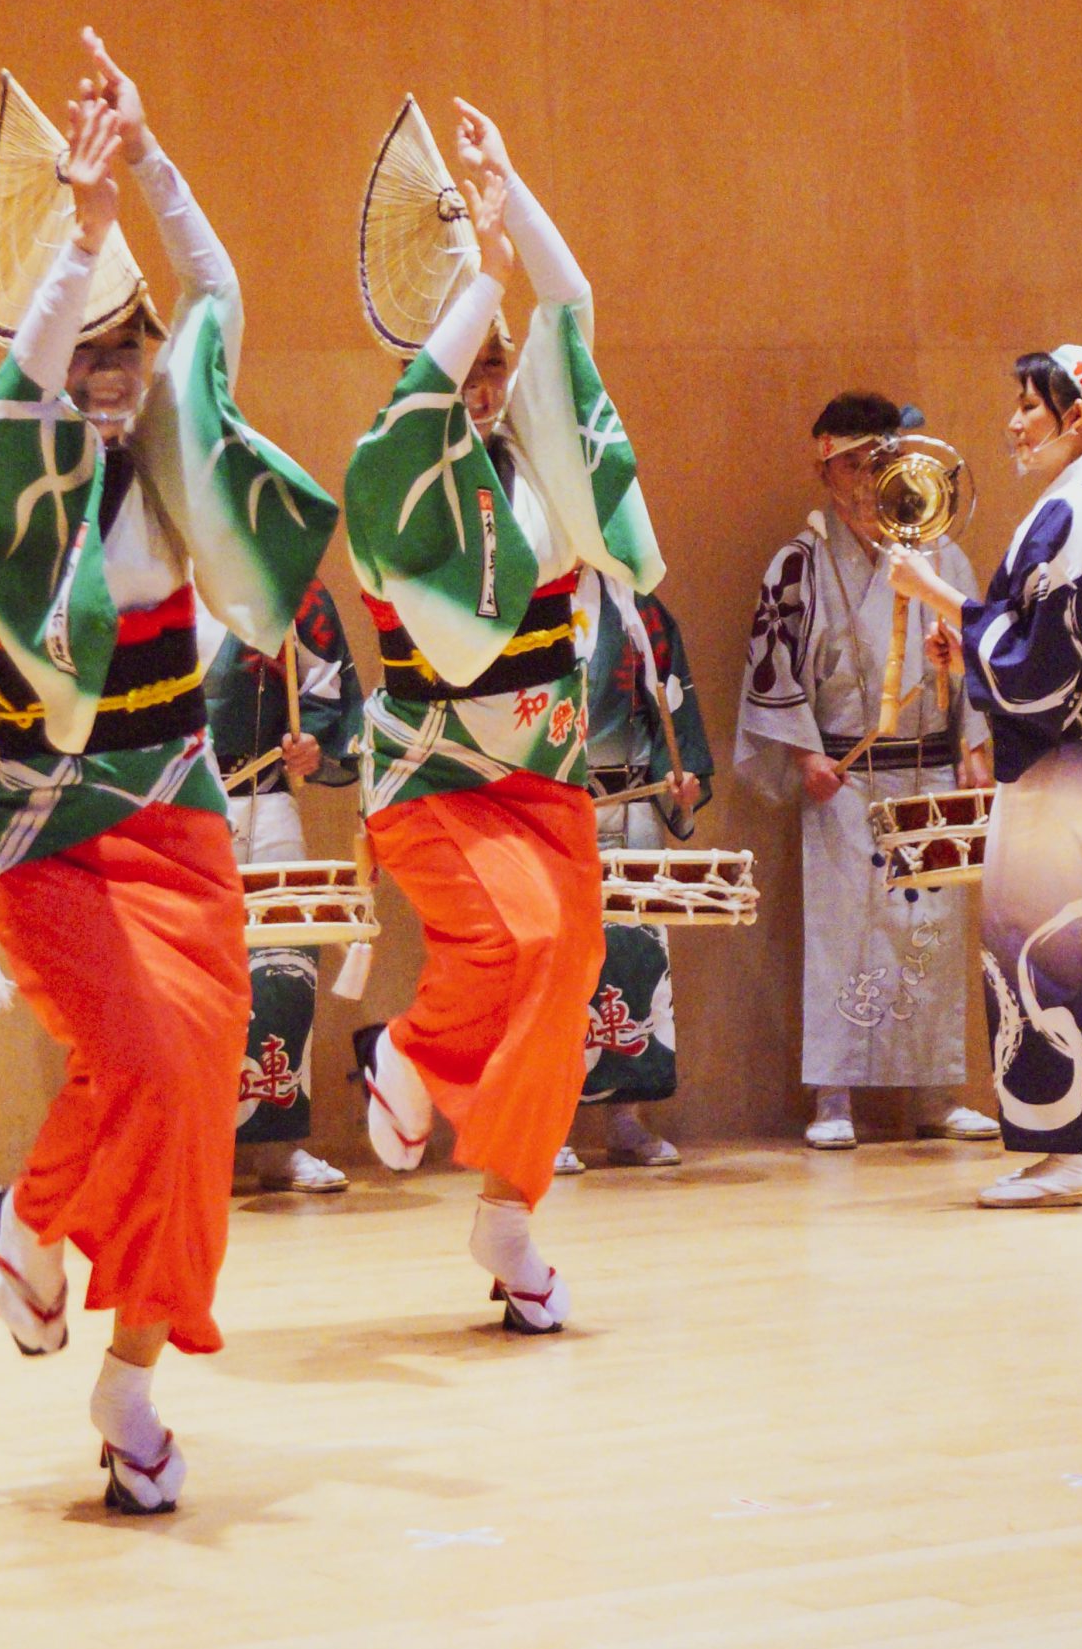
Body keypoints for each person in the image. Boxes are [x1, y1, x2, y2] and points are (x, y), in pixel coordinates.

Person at [0, 33, 335, 1509]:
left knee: (197, 1087)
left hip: (180, 821)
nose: (111, 375)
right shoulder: (10, 488)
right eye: (88, 353)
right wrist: (86, 237)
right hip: (53, 838)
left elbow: (222, 294)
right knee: (152, 1060)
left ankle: (130, 1378)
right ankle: (34, 1229)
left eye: (128, 348)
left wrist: (155, 166)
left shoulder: (179, 449)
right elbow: (14, 396)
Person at [345, 98, 663, 1333]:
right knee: (522, 944)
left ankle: (508, 1211)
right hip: (432, 782)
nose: (487, 383)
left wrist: (511, 196)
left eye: (496, 364)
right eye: (468, 365)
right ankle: (413, 1055)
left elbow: (569, 305)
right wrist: (471, 266)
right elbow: (441, 367)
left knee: (568, 974)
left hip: (544, 779)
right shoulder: (392, 473)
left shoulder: (538, 458)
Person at [887, 348, 1082, 1208]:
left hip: (1060, 757)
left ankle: (1067, 1147)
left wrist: (941, 597)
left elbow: (1042, 668)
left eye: (1030, 405)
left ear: (1076, 418)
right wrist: (971, 640)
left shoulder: (1076, 510)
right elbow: (1038, 646)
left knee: (1039, 942)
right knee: (1067, 938)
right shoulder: (1080, 507)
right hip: (1072, 752)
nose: (1013, 420)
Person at [735, 394, 997, 1150]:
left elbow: (972, 659)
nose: (865, 476)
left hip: (929, 769)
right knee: (846, 934)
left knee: (933, 930)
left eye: (880, 459)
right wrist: (805, 751)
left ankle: (936, 1094)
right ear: (823, 463)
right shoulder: (802, 560)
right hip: (846, 776)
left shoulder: (939, 552)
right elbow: (774, 665)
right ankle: (834, 1096)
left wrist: (974, 751)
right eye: (852, 462)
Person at [201, 579, 365, 1193]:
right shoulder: (143, 561)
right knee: (183, 976)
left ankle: (277, 1146)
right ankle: (186, 1147)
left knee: (283, 963)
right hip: (175, 804)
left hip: (262, 796)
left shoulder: (287, 580)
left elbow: (329, 695)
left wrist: (315, 750)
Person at [559, 573, 714, 1174]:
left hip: (631, 797)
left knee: (636, 954)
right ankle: (551, 1125)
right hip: (559, 805)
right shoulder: (524, 599)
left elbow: (670, 714)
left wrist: (679, 779)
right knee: (560, 966)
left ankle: (627, 1119)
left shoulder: (638, 612)